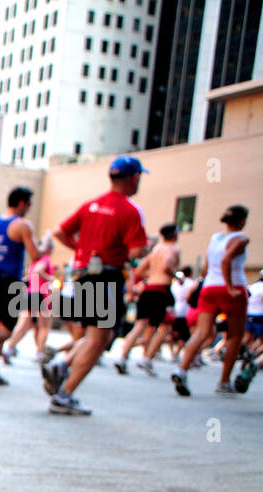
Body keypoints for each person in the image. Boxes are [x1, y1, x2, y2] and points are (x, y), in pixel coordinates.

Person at [44, 155, 152, 415]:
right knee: (99, 340)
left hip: (82, 275)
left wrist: (81, 249)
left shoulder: (91, 205)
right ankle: (64, 393)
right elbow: (137, 250)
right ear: (134, 178)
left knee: (94, 336)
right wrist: (146, 247)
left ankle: (62, 365)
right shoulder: (130, 210)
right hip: (106, 277)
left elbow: (59, 232)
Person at [0, 186, 50, 385]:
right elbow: (36, 255)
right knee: (6, 330)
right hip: (9, 281)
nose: (29, 208)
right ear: (21, 203)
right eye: (29, 204)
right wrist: (47, 243)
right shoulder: (22, 225)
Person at [172, 205, 251, 397]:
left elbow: (206, 268)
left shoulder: (214, 238)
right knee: (234, 337)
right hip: (232, 288)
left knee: (201, 332)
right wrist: (231, 287)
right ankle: (224, 381)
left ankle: (181, 370)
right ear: (242, 221)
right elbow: (226, 260)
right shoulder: (241, 238)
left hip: (209, 288)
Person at [117, 223, 180, 375]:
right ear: (175, 235)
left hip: (148, 290)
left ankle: (122, 358)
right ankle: (147, 358)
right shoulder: (174, 249)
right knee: (164, 327)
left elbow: (139, 270)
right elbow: (166, 266)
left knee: (139, 326)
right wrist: (176, 275)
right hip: (162, 290)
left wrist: (150, 277)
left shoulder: (155, 250)